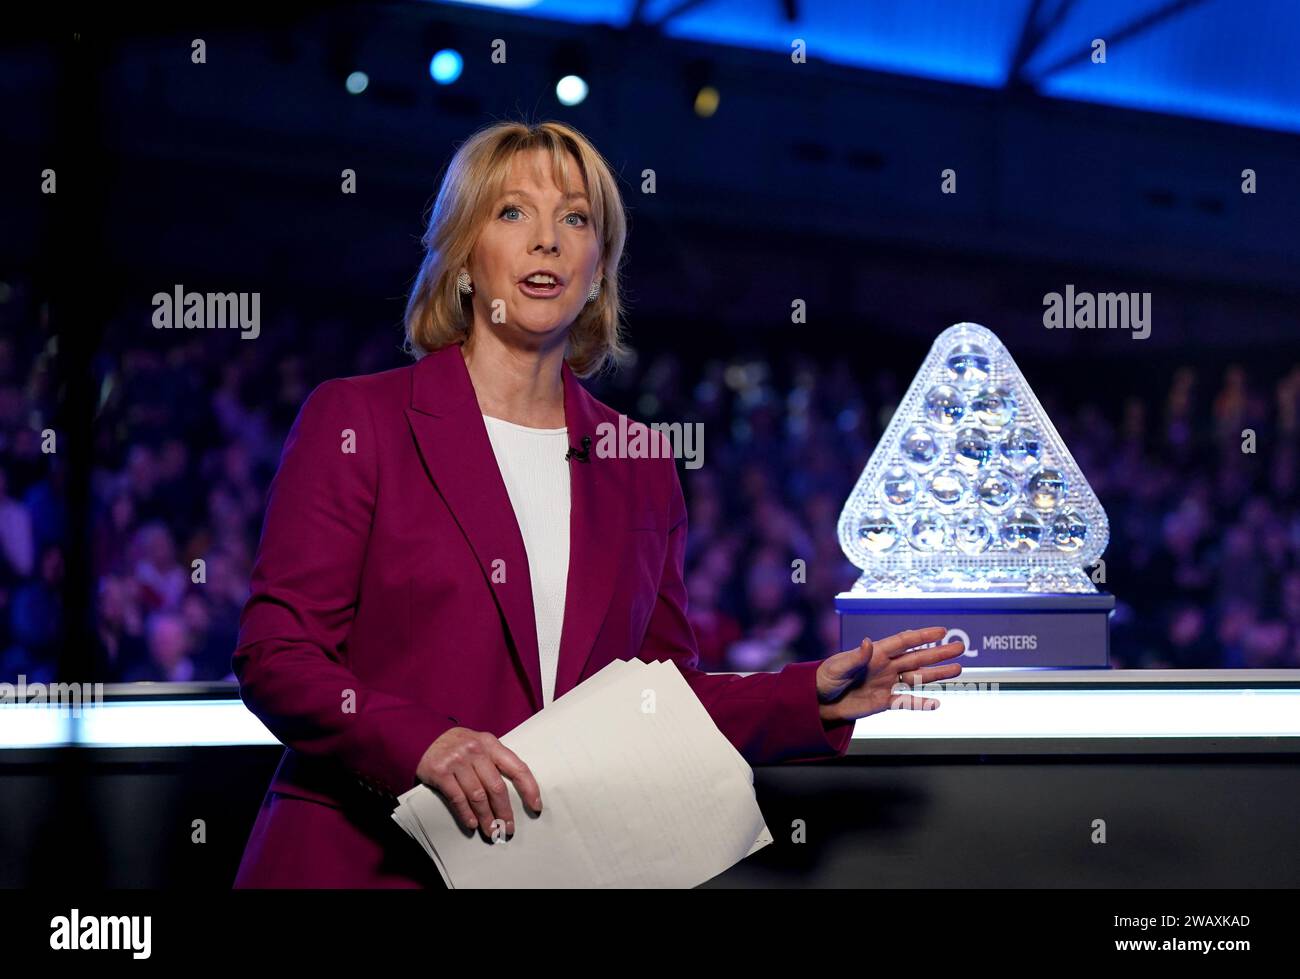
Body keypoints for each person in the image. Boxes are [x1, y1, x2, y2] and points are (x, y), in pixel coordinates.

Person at [231, 119, 965, 888]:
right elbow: (276, 656)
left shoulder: (640, 461)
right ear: (464, 259)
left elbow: (656, 704)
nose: (545, 240)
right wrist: (424, 744)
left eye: (574, 218)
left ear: (598, 269)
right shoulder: (358, 421)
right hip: (360, 868)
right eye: (512, 213)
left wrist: (805, 694)